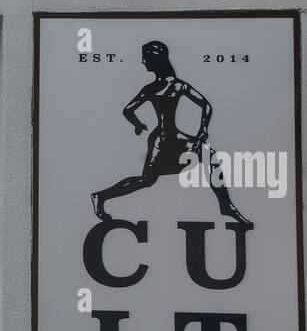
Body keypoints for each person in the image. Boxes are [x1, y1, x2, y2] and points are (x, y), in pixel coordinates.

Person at [90, 40, 251, 226]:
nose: (143, 62)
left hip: (175, 139)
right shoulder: (158, 88)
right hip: (161, 142)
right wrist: (139, 124)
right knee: (146, 180)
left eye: (146, 58)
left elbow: (206, 105)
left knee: (210, 157)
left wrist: (202, 132)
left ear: (157, 59)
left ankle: (226, 206)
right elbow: (127, 110)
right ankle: (100, 196)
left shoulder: (175, 86)